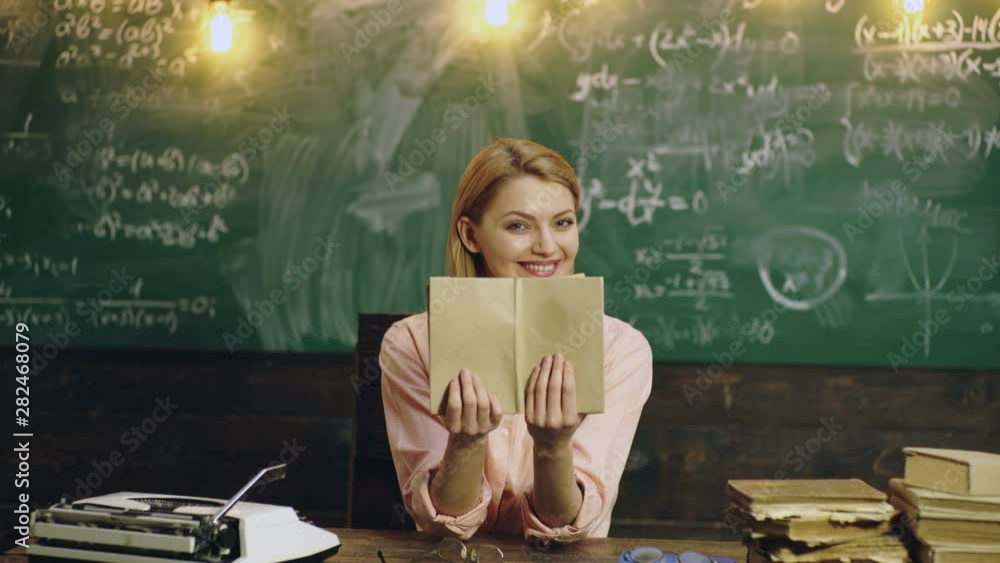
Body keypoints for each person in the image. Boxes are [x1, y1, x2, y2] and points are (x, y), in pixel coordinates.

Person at [379, 138, 653, 544]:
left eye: (563, 223)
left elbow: (567, 527)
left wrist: (552, 448)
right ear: (470, 235)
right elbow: (443, 525)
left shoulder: (620, 350)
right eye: (518, 226)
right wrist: (466, 442)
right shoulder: (412, 345)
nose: (547, 246)